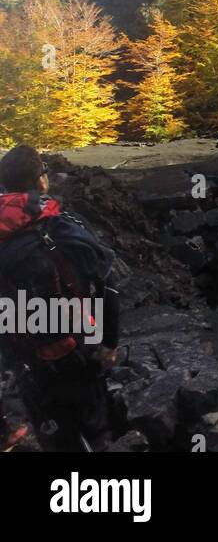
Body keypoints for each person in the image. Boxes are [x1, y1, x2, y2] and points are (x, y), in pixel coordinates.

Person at [0, 146, 120, 452]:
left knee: (56, 438)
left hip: (24, 360)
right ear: (40, 181)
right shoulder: (57, 223)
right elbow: (105, 281)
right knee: (98, 432)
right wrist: (109, 343)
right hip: (76, 349)